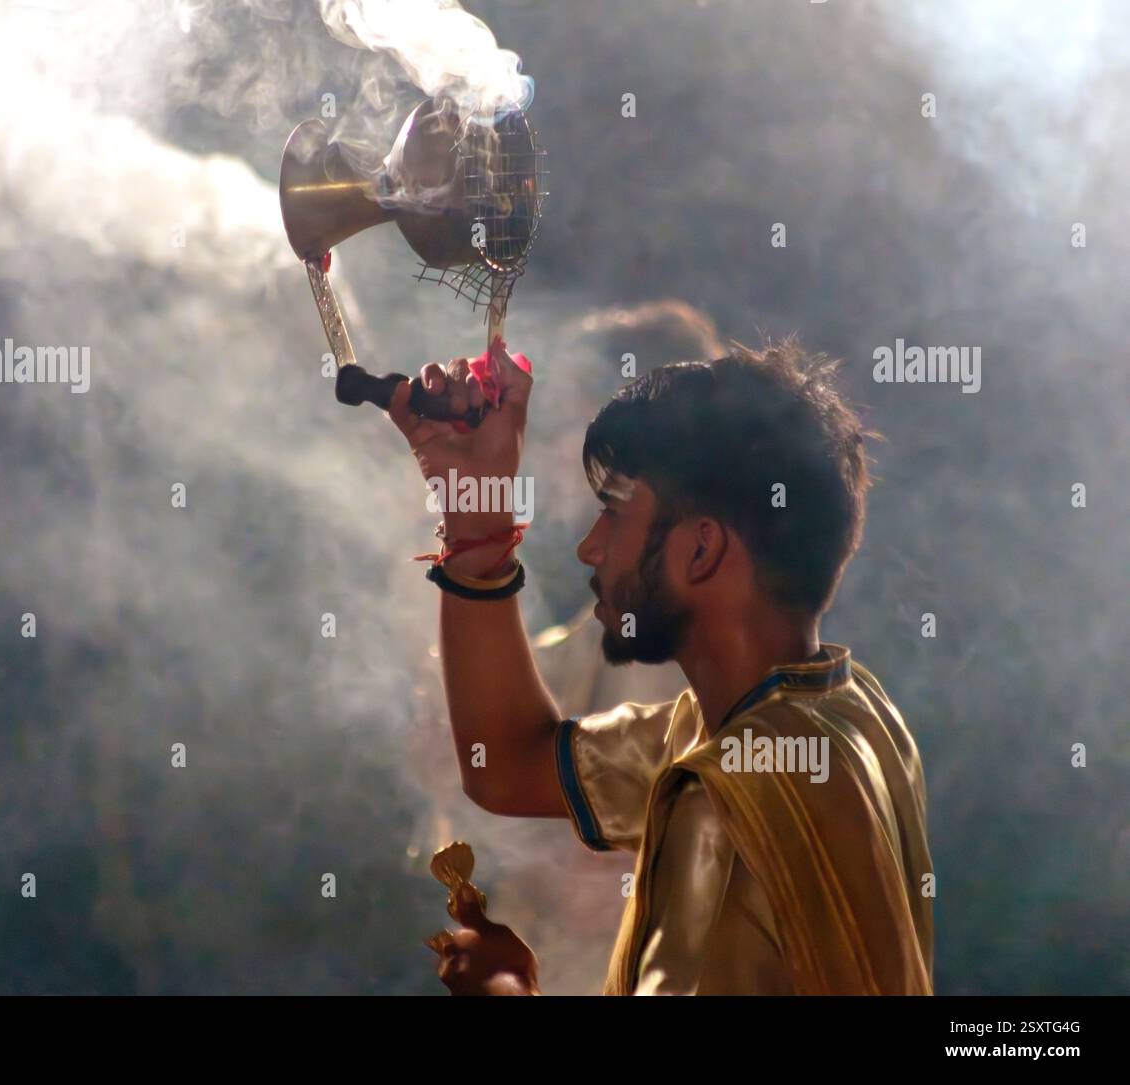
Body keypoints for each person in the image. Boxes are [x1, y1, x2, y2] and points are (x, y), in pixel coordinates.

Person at [388, 336, 934, 996]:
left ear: (701, 548)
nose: (591, 548)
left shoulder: (724, 799)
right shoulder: (849, 715)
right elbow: (503, 764)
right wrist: (475, 516)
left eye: (615, 516)